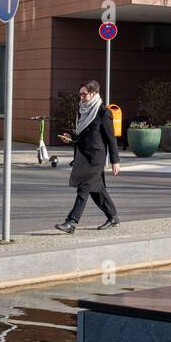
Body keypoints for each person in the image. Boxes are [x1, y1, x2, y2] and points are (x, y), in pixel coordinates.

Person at [55, 80, 121, 233]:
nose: (81, 98)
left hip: (96, 157)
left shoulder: (104, 112)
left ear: (93, 94)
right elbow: (80, 133)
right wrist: (69, 136)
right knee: (96, 190)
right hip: (83, 154)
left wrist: (115, 161)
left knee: (84, 187)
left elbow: (111, 138)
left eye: (84, 94)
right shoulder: (82, 111)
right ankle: (113, 217)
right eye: (80, 94)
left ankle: (71, 222)